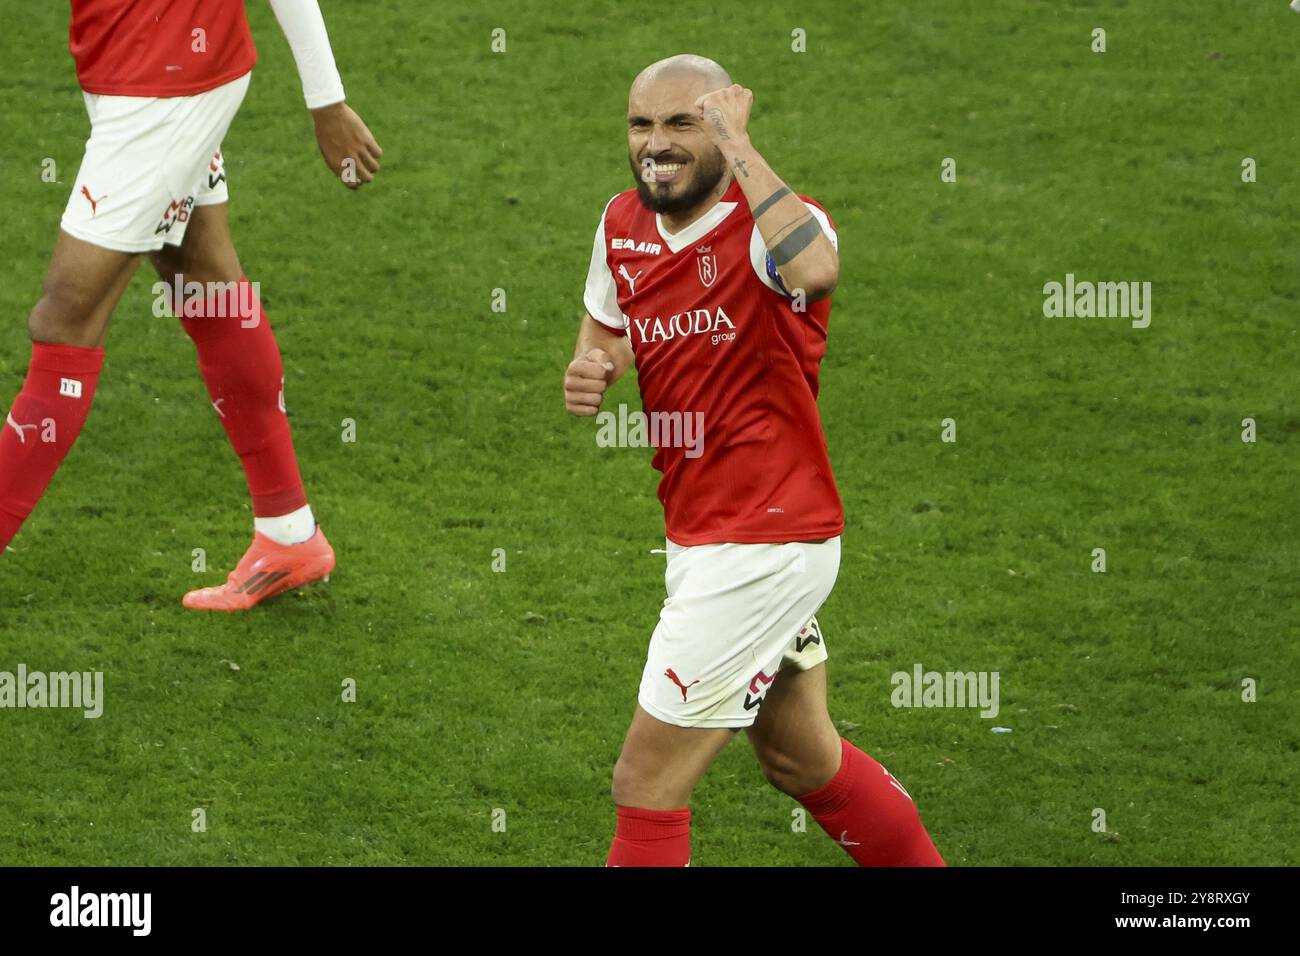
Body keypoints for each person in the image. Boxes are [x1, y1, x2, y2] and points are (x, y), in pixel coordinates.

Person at [564, 54, 945, 866]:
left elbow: (816, 269)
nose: (656, 146)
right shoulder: (620, 225)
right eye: (641, 125)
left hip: (763, 545)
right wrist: (597, 366)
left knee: (645, 782)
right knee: (801, 757)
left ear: (723, 131)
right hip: (703, 533)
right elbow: (608, 322)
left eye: (682, 124)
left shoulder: (774, 231)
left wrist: (738, 142)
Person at [0, 0, 382, 610]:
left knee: (65, 316)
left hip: (167, 75)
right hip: (127, 59)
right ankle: (290, 534)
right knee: (199, 274)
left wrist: (326, 101)